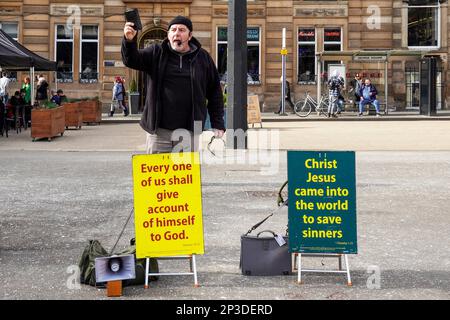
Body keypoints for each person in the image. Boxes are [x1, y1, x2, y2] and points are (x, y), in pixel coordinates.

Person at [122, 16, 225, 154]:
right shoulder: (155, 52)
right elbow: (131, 60)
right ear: (168, 35)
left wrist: (217, 123)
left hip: (188, 133)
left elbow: (215, 92)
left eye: (182, 30)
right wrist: (129, 41)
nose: (177, 33)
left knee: (185, 175)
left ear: (190, 36)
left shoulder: (203, 58)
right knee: (157, 175)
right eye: (173, 30)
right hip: (159, 133)